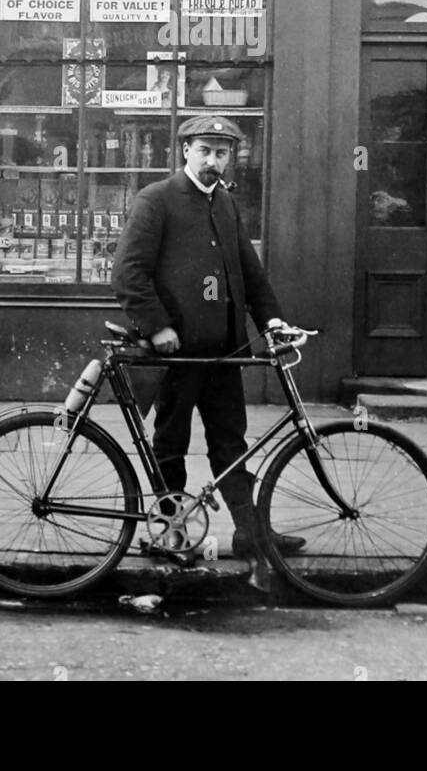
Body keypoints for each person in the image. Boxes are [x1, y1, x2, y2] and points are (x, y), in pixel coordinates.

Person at [110, 113, 304, 561]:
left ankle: (249, 531)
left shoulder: (225, 202)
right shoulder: (156, 199)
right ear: (184, 151)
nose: (213, 161)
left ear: (231, 157)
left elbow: (249, 272)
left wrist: (271, 320)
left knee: (230, 442)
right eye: (205, 151)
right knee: (170, 443)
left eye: (222, 153)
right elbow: (128, 273)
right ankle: (170, 532)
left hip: (224, 351)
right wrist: (157, 326)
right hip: (177, 353)